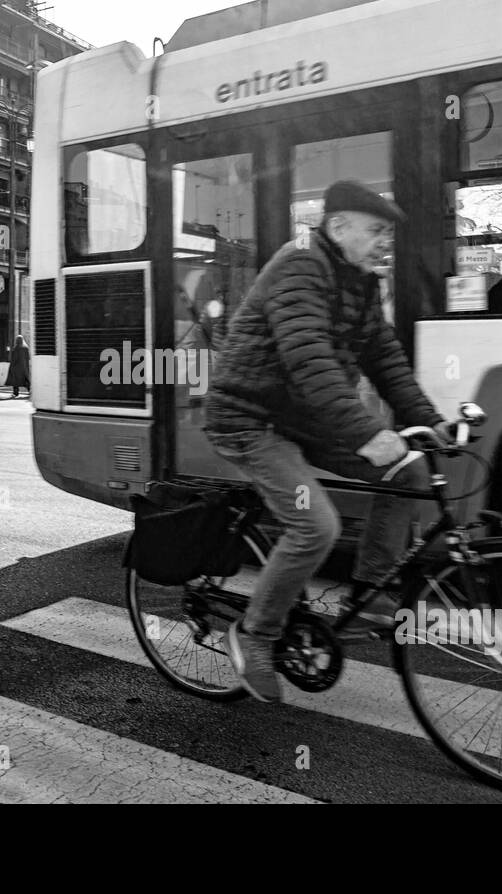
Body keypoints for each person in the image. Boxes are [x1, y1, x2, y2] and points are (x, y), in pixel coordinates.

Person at [205, 181, 452, 703]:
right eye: (377, 231)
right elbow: (309, 360)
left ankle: (372, 595)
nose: (386, 242)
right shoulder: (299, 265)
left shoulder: (359, 280)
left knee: (407, 470)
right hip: (250, 417)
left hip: (303, 418)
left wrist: (428, 422)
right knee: (316, 526)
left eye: (388, 233)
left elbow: (385, 361)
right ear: (338, 227)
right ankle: (256, 634)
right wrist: (367, 434)